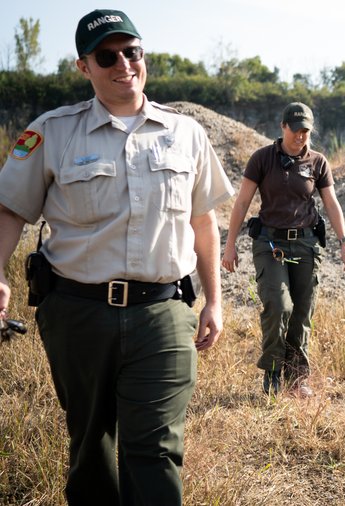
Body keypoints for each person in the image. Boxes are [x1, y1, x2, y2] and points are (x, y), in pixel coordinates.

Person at [0, 9, 234, 505]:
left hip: (163, 314)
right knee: (91, 445)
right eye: (107, 56)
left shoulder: (185, 133)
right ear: (84, 66)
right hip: (77, 314)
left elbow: (202, 222)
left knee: (154, 448)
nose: (123, 64)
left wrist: (215, 300)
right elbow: (9, 212)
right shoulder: (52, 133)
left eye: (132, 52)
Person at [221, 102, 345, 398]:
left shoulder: (318, 162)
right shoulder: (262, 159)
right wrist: (229, 246)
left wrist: (344, 242)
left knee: (302, 312)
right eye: (295, 130)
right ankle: (272, 371)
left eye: (306, 131)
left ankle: (296, 379)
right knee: (280, 306)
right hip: (270, 244)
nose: (300, 136)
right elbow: (242, 203)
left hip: (306, 244)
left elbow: (331, 203)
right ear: (283, 127)